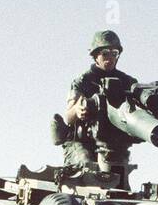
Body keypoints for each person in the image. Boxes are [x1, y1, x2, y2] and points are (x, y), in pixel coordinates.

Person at [58, 30, 138, 172]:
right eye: (105, 53)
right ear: (96, 56)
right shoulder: (83, 81)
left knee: (118, 178)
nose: (110, 58)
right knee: (88, 169)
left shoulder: (127, 82)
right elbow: (68, 118)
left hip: (113, 144)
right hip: (81, 143)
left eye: (114, 53)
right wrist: (77, 110)